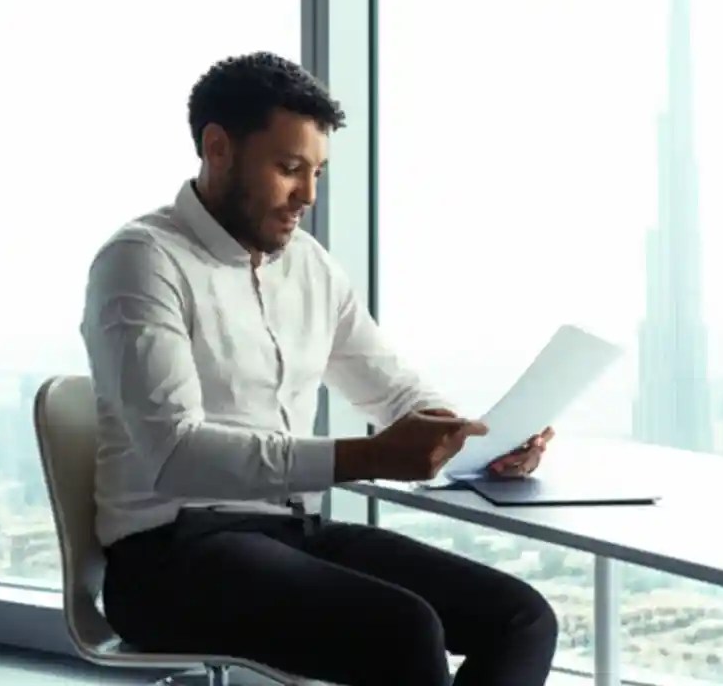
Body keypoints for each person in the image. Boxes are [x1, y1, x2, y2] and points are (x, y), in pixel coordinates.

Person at [81, 51, 559, 686]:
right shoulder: (142, 262)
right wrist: (364, 459)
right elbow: (175, 454)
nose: (307, 194)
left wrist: (480, 439)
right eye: (288, 169)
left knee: (523, 617)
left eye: (317, 172)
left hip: (291, 533)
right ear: (217, 148)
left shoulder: (308, 265)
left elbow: (394, 389)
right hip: (169, 559)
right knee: (404, 630)